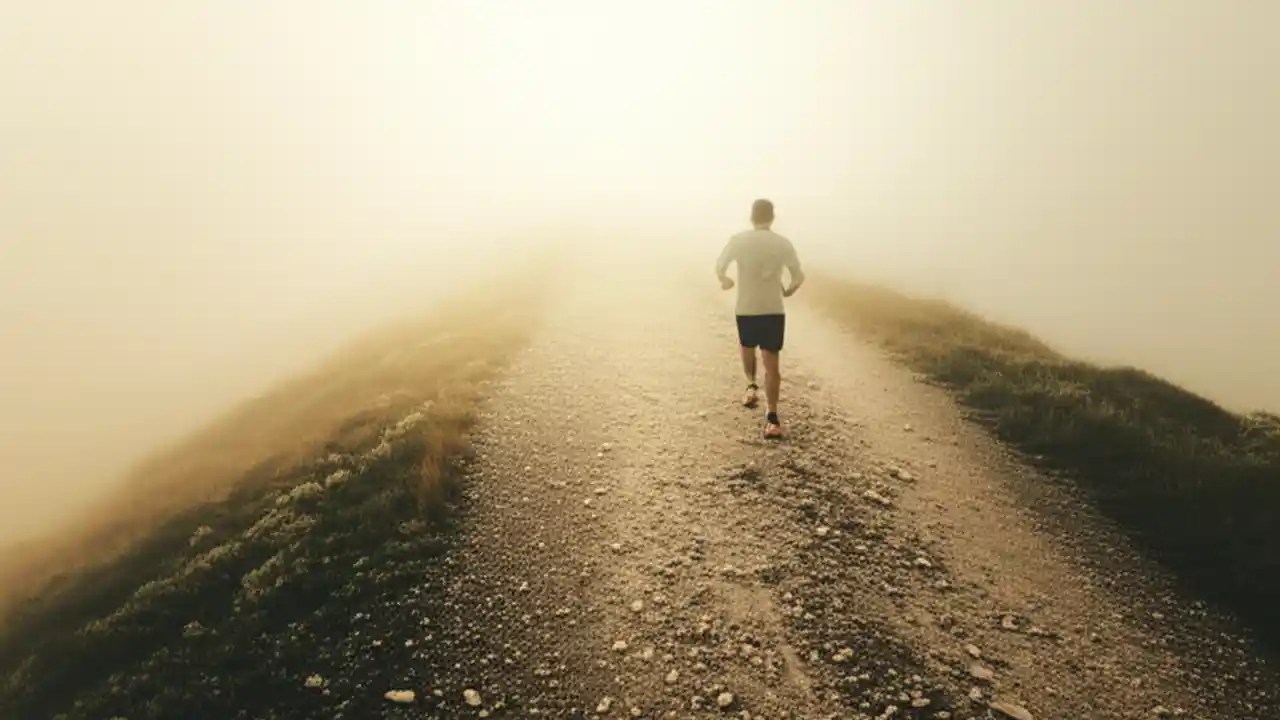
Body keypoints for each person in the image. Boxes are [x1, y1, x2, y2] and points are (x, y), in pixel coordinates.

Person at [715, 198, 805, 439]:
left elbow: (720, 265)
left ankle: (751, 386)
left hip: (746, 307)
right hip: (773, 309)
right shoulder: (783, 243)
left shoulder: (738, 240)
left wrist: (725, 280)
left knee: (747, 346)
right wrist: (788, 290)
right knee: (772, 363)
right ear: (772, 218)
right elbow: (798, 276)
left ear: (752, 217)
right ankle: (772, 418)